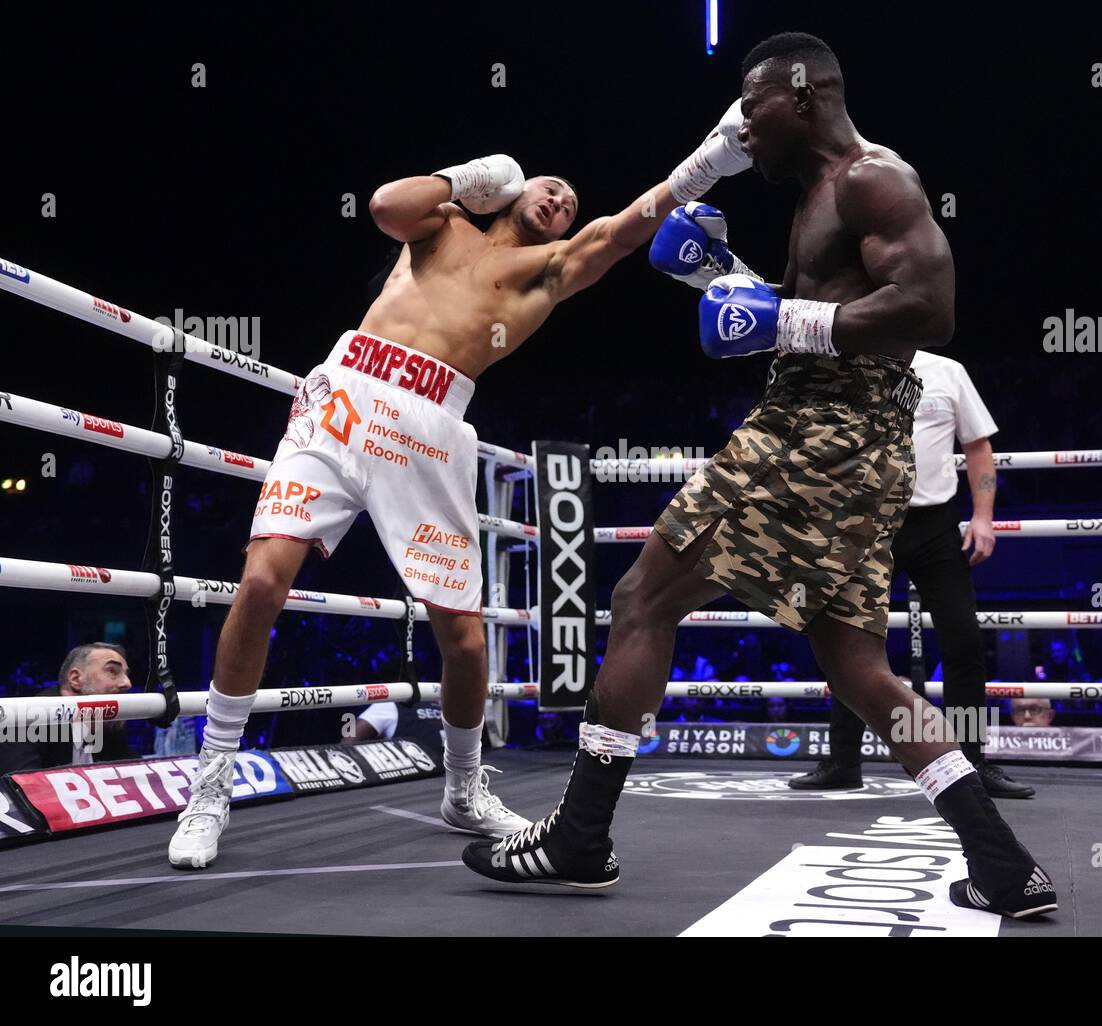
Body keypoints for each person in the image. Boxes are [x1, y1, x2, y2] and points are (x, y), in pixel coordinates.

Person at [463, 32, 1056, 918]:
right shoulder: (819, 195)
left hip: (819, 430)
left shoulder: (870, 178)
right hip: (856, 441)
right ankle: (1003, 864)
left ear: (804, 92)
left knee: (641, 600)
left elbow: (930, 308)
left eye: (754, 103)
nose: (743, 124)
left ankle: (581, 837)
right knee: (856, 663)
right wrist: (740, 285)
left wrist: (791, 325)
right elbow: (814, 305)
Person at [167, 110, 754, 869]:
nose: (562, 200)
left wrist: (710, 159)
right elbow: (384, 206)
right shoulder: (441, 226)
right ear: (510, 190)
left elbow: (625, 227)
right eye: (551, 187)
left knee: (465, 637)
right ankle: (209, 788)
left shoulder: (549, 273)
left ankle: (464, 787)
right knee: (261, 580)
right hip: (345, 397)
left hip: (433, 425)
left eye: (571, 201)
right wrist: (463, 177)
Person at [789, 349, 1036, 798]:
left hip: (935, 525)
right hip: (866, 521)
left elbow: (977, 446)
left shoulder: (948, 371)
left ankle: (971, 762)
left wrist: (984, 517)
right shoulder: (850, 366)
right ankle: (843, 760)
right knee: (849, 641)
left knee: (963, 641)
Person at [0, 643, 135, 774]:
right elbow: (21, 788)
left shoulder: (108, 724)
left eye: (126, 674)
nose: (127, 683)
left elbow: (131, 775)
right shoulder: (29, 721)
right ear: (76, 679)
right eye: (112, 671)